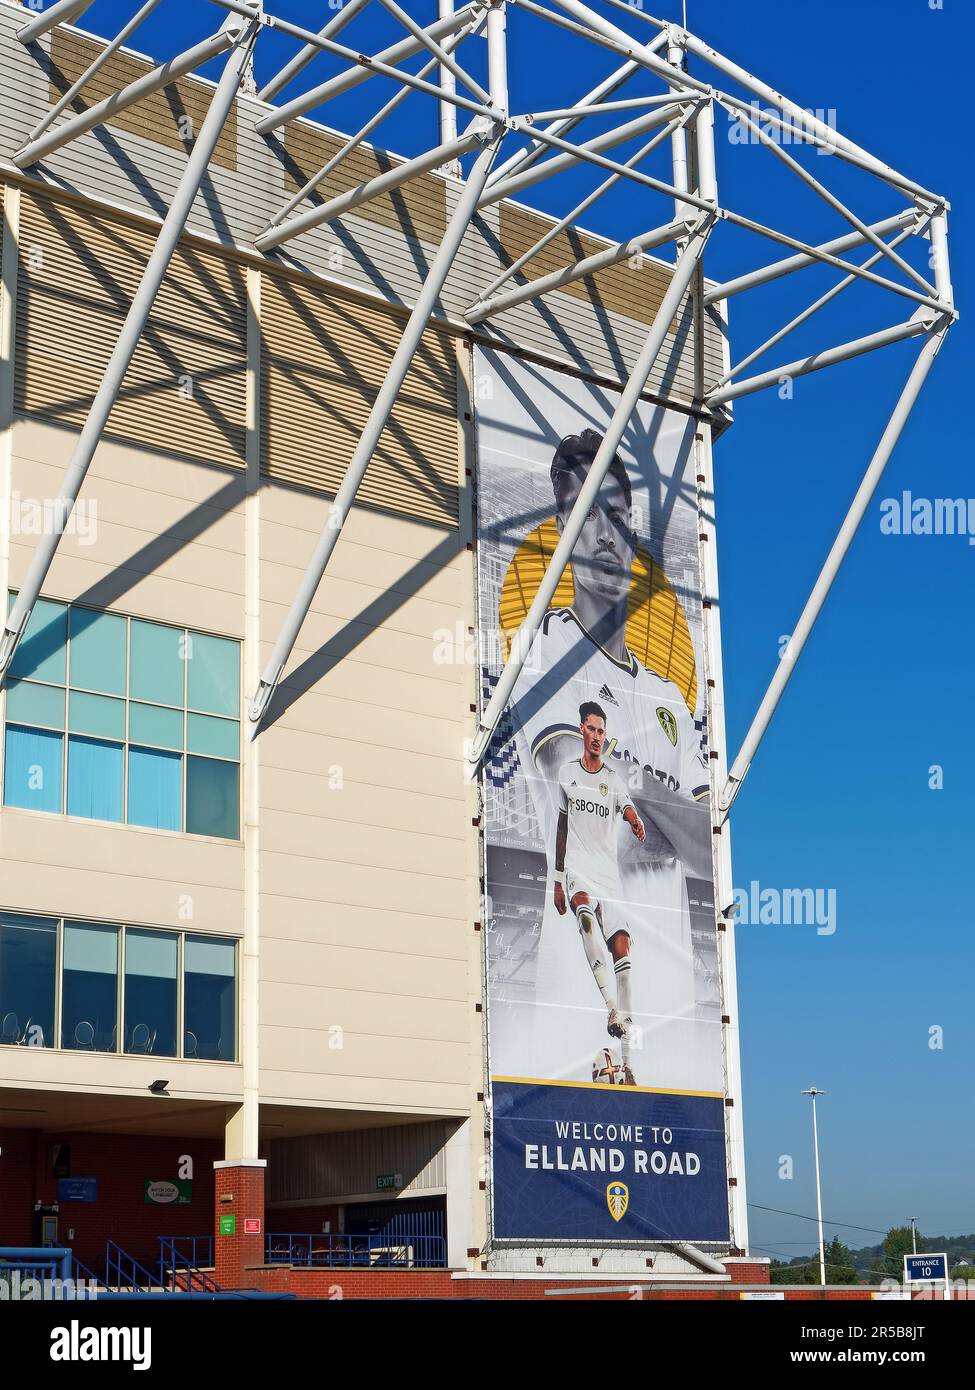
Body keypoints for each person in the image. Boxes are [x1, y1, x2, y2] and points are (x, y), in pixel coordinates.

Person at [553, 701, 645, 1084]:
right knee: (584, 915)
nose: (596, 737)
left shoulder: (613, 779)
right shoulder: (566, 774)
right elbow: (561, 828)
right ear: (581, 731)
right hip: (578, 870)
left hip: (609, 876)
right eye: (591, 729)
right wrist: (558, 879)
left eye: (601, 731)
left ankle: (627, 1066)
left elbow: (627, 807)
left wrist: (635, 820)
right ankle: (611, 1008)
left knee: (622, 949)